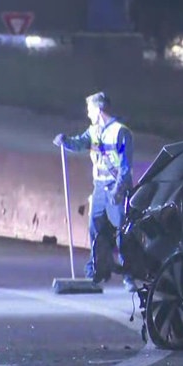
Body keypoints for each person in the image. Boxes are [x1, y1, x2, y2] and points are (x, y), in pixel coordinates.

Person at [53, 92, 136, 291]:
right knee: (96, 229)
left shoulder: (121, 132)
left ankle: (129, 275)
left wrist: (118, 189)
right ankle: (96, 271)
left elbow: (125, 167)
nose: (88, 114)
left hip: (116, 188)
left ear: (99, 110)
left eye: (90, 110)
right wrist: (65, 141)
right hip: (99, 187)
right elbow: (80, 143)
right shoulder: (94, 131)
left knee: (122, 232)